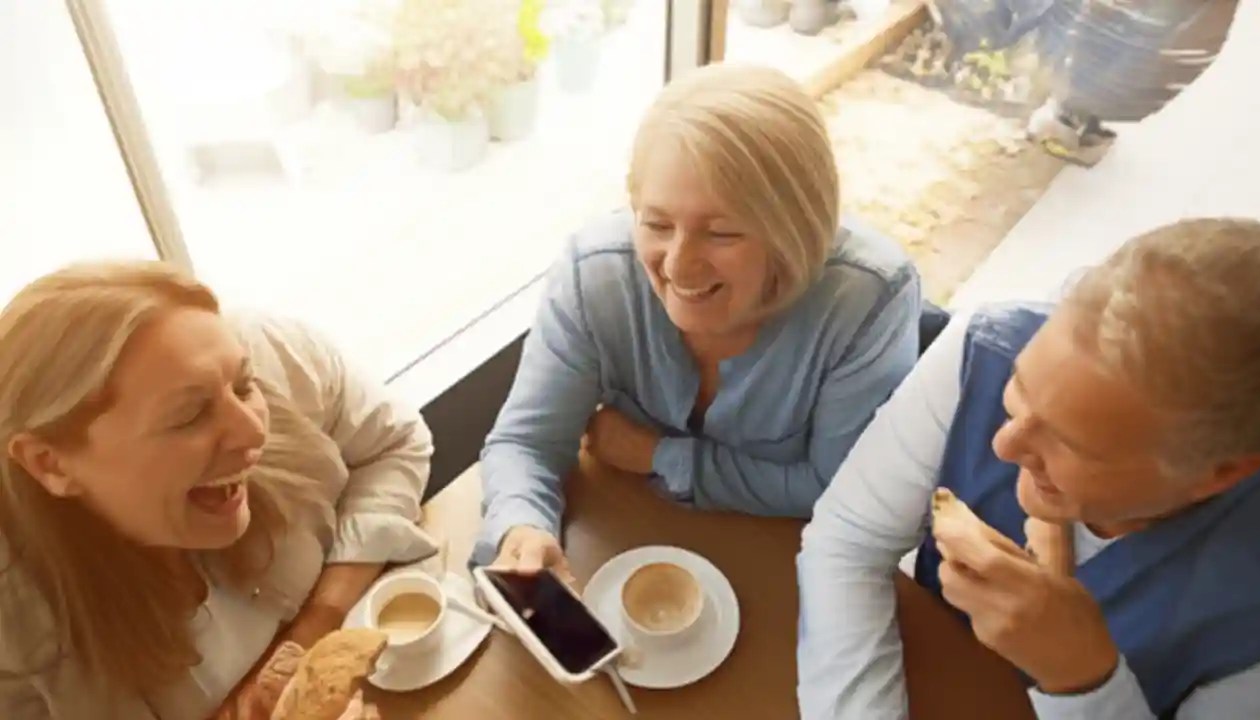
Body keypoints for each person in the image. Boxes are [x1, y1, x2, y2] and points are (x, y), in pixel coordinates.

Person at [796, 218, 1260, 719]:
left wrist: (1082, 677)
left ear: (1219, 474)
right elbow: (848, 541)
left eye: (1073, 443)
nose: (1005, 445)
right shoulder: (983, 351)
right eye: (1020, 389)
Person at [472, 62, 923, 573]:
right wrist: (522, 525)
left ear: (796, 229)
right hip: (629, 548)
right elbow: (525, 442)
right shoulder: (594, 276)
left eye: (723, 232)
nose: (679, 264)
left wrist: (658, 456)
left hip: (784, 567)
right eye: (657, 223)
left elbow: (840, 490)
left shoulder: (868, 301)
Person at [0, 261, 438, 719]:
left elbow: (396, 443)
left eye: (244, 387)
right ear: (49, 463)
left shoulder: (264, 351)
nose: (253, 434)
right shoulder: (15, 637)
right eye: (189, 416)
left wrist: (320, 622)